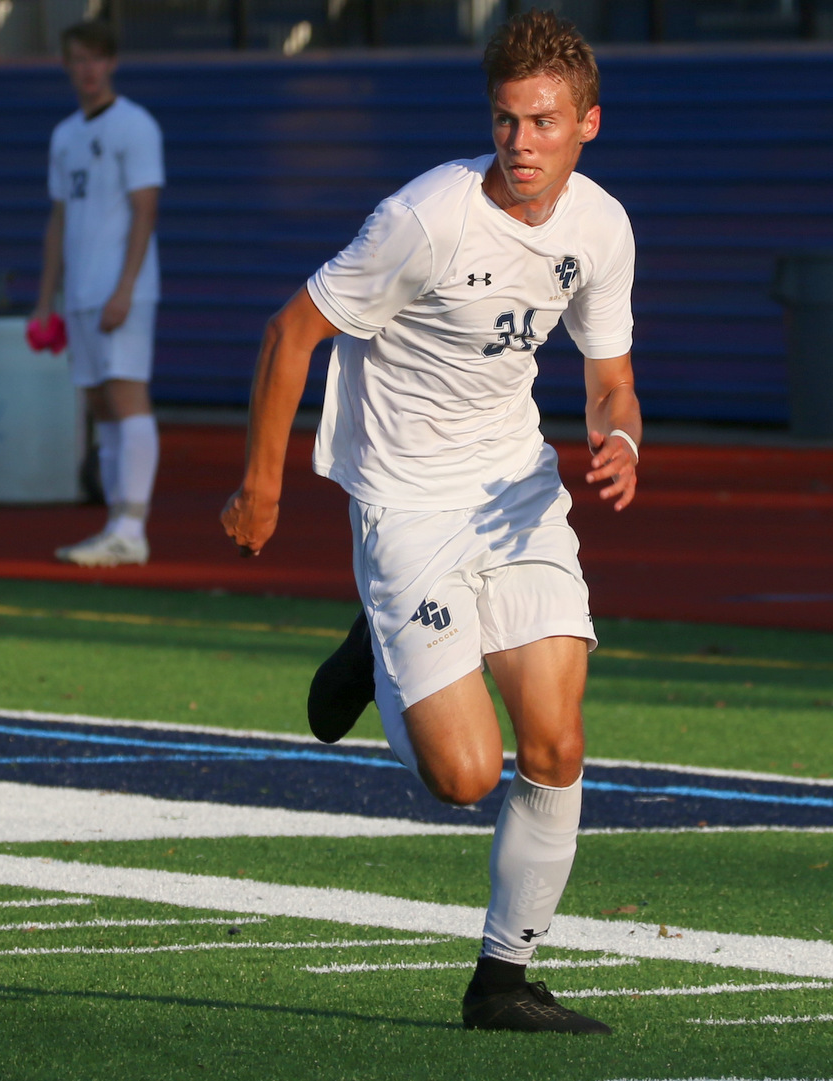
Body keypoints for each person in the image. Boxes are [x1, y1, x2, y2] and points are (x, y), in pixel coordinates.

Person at [220, 10, 641, 1034]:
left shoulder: (602, 227)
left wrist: (621, 439)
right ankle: (381, 638)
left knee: (559, 739)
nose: (521, 144)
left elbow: (611, 380)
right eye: (505, 122)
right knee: (465, 776)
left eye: (542, 122)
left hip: (515, 492)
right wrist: (262, 488)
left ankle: (503, 981)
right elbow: (293, 331)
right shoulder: (427, 217)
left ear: (588, 122)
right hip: (406, 503)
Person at [32, 20, 164, 567]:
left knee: (126, 394)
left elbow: (145, 210)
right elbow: (59, 218)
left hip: (120, 289)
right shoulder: (64, 135)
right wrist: (46, 300)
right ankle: (114, 523)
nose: (86, 70)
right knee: (97, 403)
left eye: (95, 59)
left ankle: (132, 527)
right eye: (77, 60)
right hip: (80, 293)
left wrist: (125, 288)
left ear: (110, 63)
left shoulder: (135, 125)